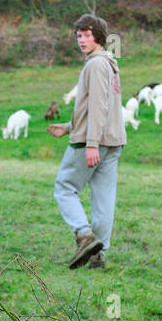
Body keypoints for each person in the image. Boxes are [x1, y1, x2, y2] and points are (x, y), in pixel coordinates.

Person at [47, 14, 126, 269]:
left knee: (64, 187)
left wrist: (91, 143)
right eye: (79, 35)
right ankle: (98, 256)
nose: (82, 40)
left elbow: (98, 106)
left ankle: (84, 235)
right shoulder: (110, 64)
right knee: (103, 199)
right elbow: (102, 107)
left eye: (87, 35)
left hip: (93, 142)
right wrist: (70, 126)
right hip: (112, 141)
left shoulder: (95, 65)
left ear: (99, 37)